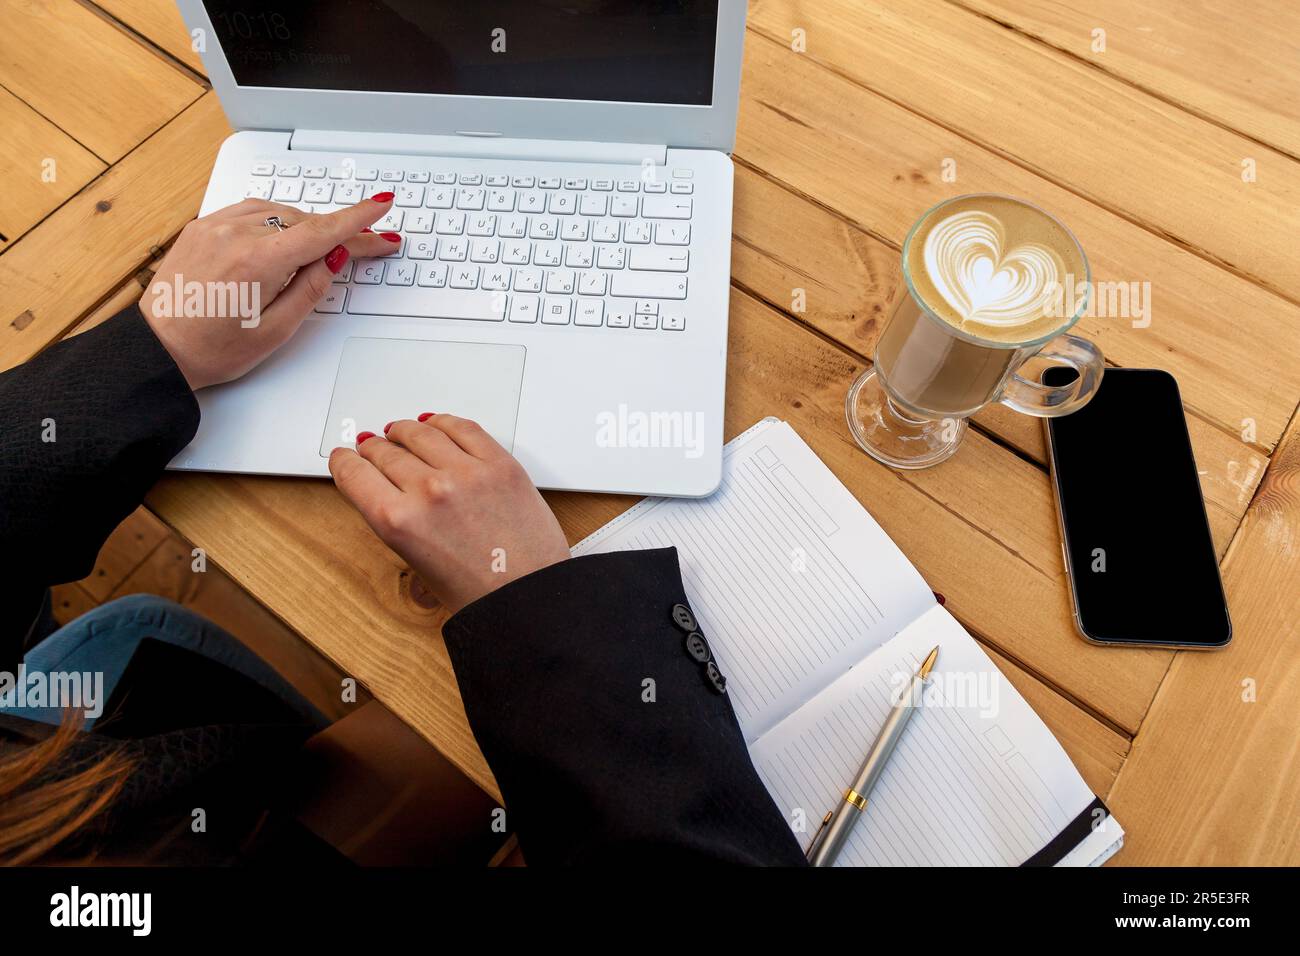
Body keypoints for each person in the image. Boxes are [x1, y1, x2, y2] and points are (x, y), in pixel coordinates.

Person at [0, 194, 805, 866]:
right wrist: (532, 604)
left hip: (85, 740)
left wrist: (155, 349)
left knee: (148, 628)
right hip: (180, 817)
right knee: (430, 756)